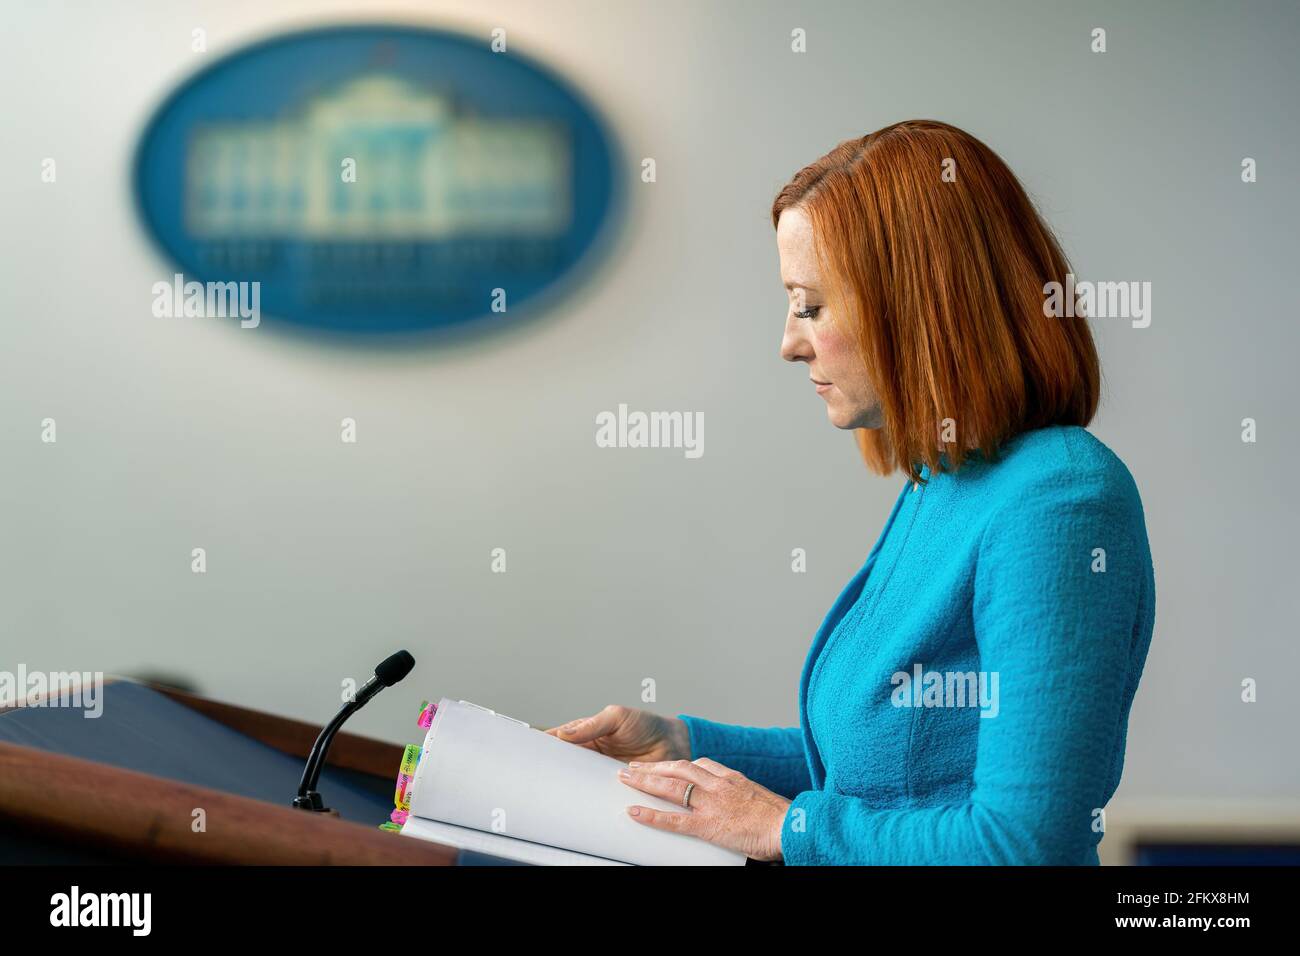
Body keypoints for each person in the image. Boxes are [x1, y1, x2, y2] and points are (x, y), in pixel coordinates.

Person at [546, 120, 1156, 865]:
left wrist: (785, 829)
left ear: (918, 304)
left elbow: (1021, 844)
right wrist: (684, 745)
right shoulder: (950, 480)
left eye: (809, 306)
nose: (788, 342)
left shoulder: (1058, 504)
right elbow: (884, 774)